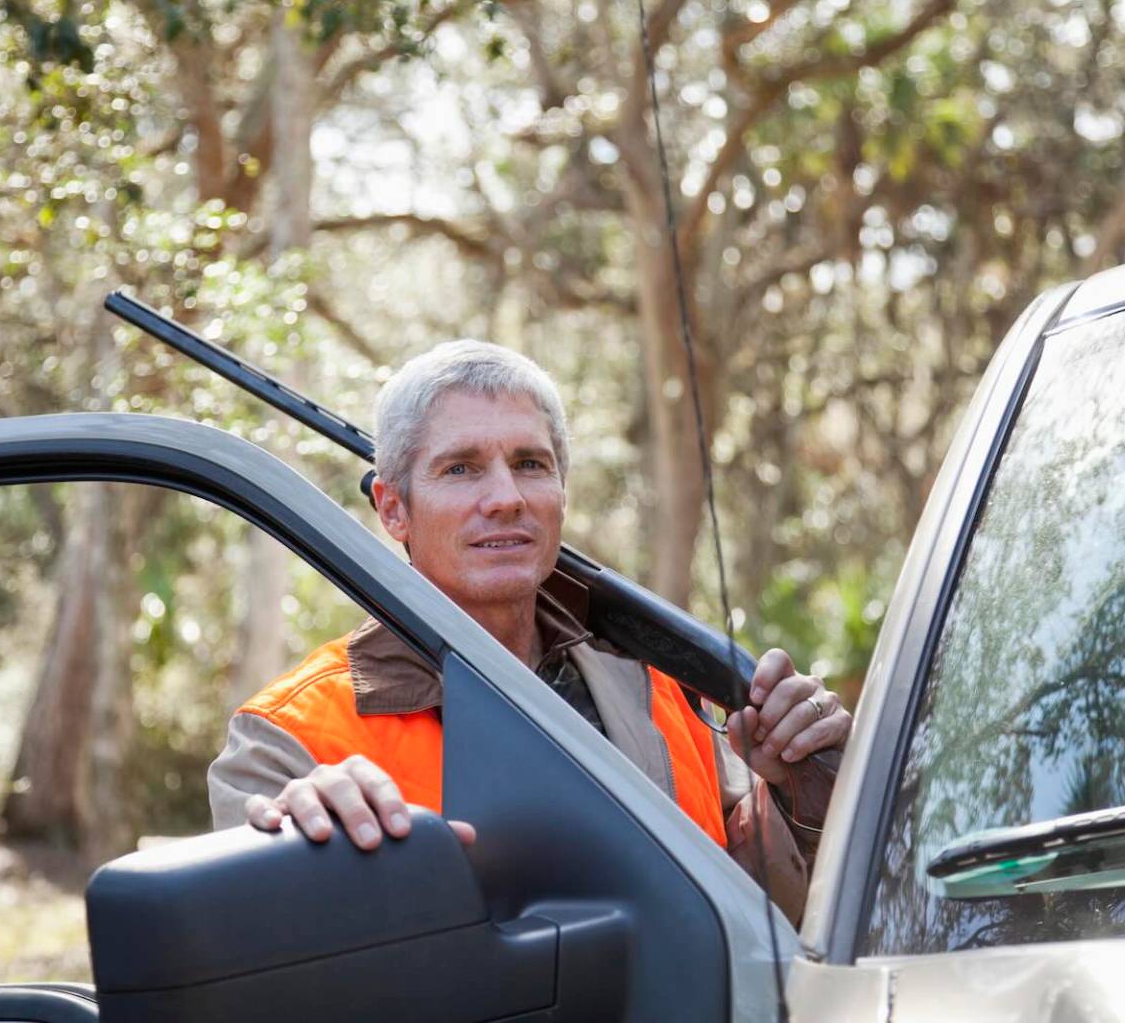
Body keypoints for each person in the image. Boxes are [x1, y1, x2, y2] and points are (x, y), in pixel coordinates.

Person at [209, 340, 851, 921]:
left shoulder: (659, 681)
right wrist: (303, 847)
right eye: (460, 468)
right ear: (393, 507)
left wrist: (802, 782)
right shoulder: (287, 738)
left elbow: (763, 921)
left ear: (562, 493)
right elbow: (253, 962)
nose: (506, 497)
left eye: (530, 464)